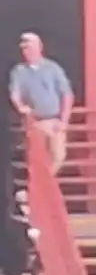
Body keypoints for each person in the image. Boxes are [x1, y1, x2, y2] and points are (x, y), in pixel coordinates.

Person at [9, 32, 74, 174]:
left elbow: (66, 94)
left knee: (59, 156)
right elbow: (15, 93)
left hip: (54, 120)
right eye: (24, 48)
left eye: (30, 47)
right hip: (35, 122)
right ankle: (41, 182)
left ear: (40, 47)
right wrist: (20, 106)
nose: (27, 51)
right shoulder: (19, 71)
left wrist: (64, 120)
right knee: (36, 158)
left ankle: (45, 179)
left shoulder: (53, 68)